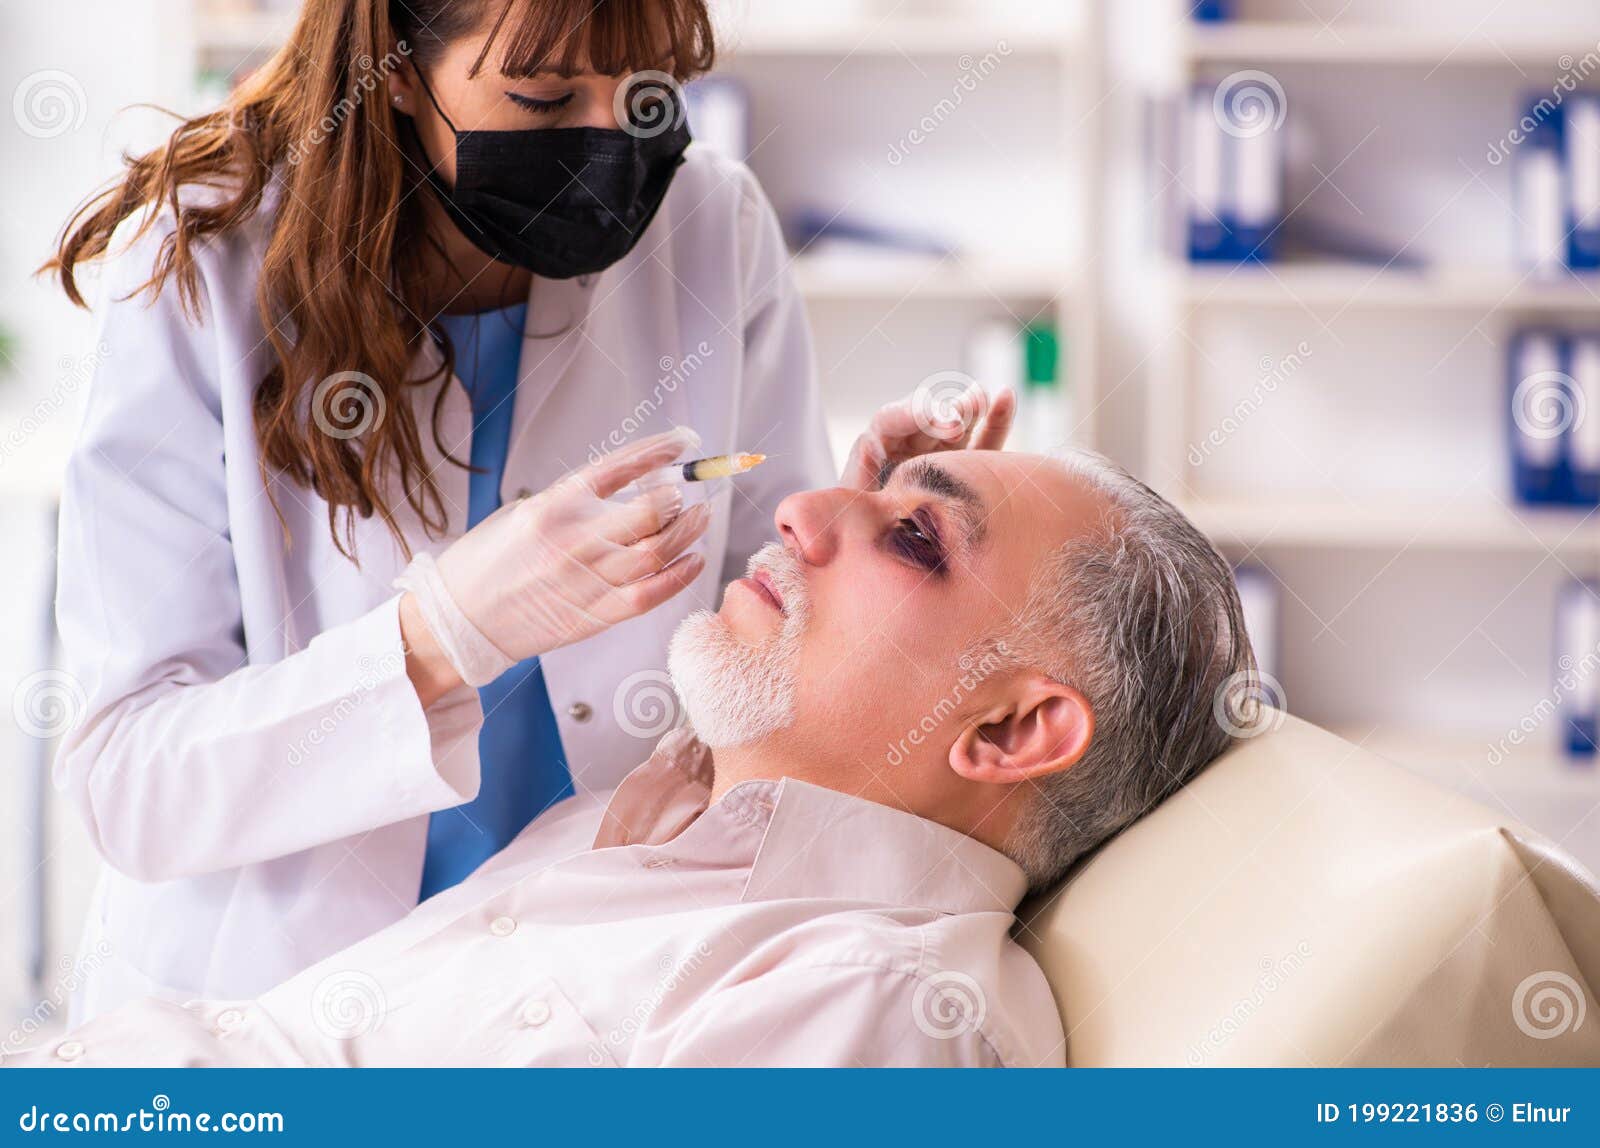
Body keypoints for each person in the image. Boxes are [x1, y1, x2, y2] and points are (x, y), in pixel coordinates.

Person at [42, 0, 1015, 1021]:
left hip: (583, 982)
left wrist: (848, 541)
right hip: (269, 1000)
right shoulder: (206, 259)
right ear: (398, 67)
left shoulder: (712, 227)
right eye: (545, 97)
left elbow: (761, 692)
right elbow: (129, 781)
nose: (608, 139)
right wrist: (441, 634)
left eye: (645, 88)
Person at [10, 448, 1255, 1067]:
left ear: (1011, 732)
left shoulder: (875, 1004)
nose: (798, 509)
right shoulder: (652, 827)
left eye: (914, 537)